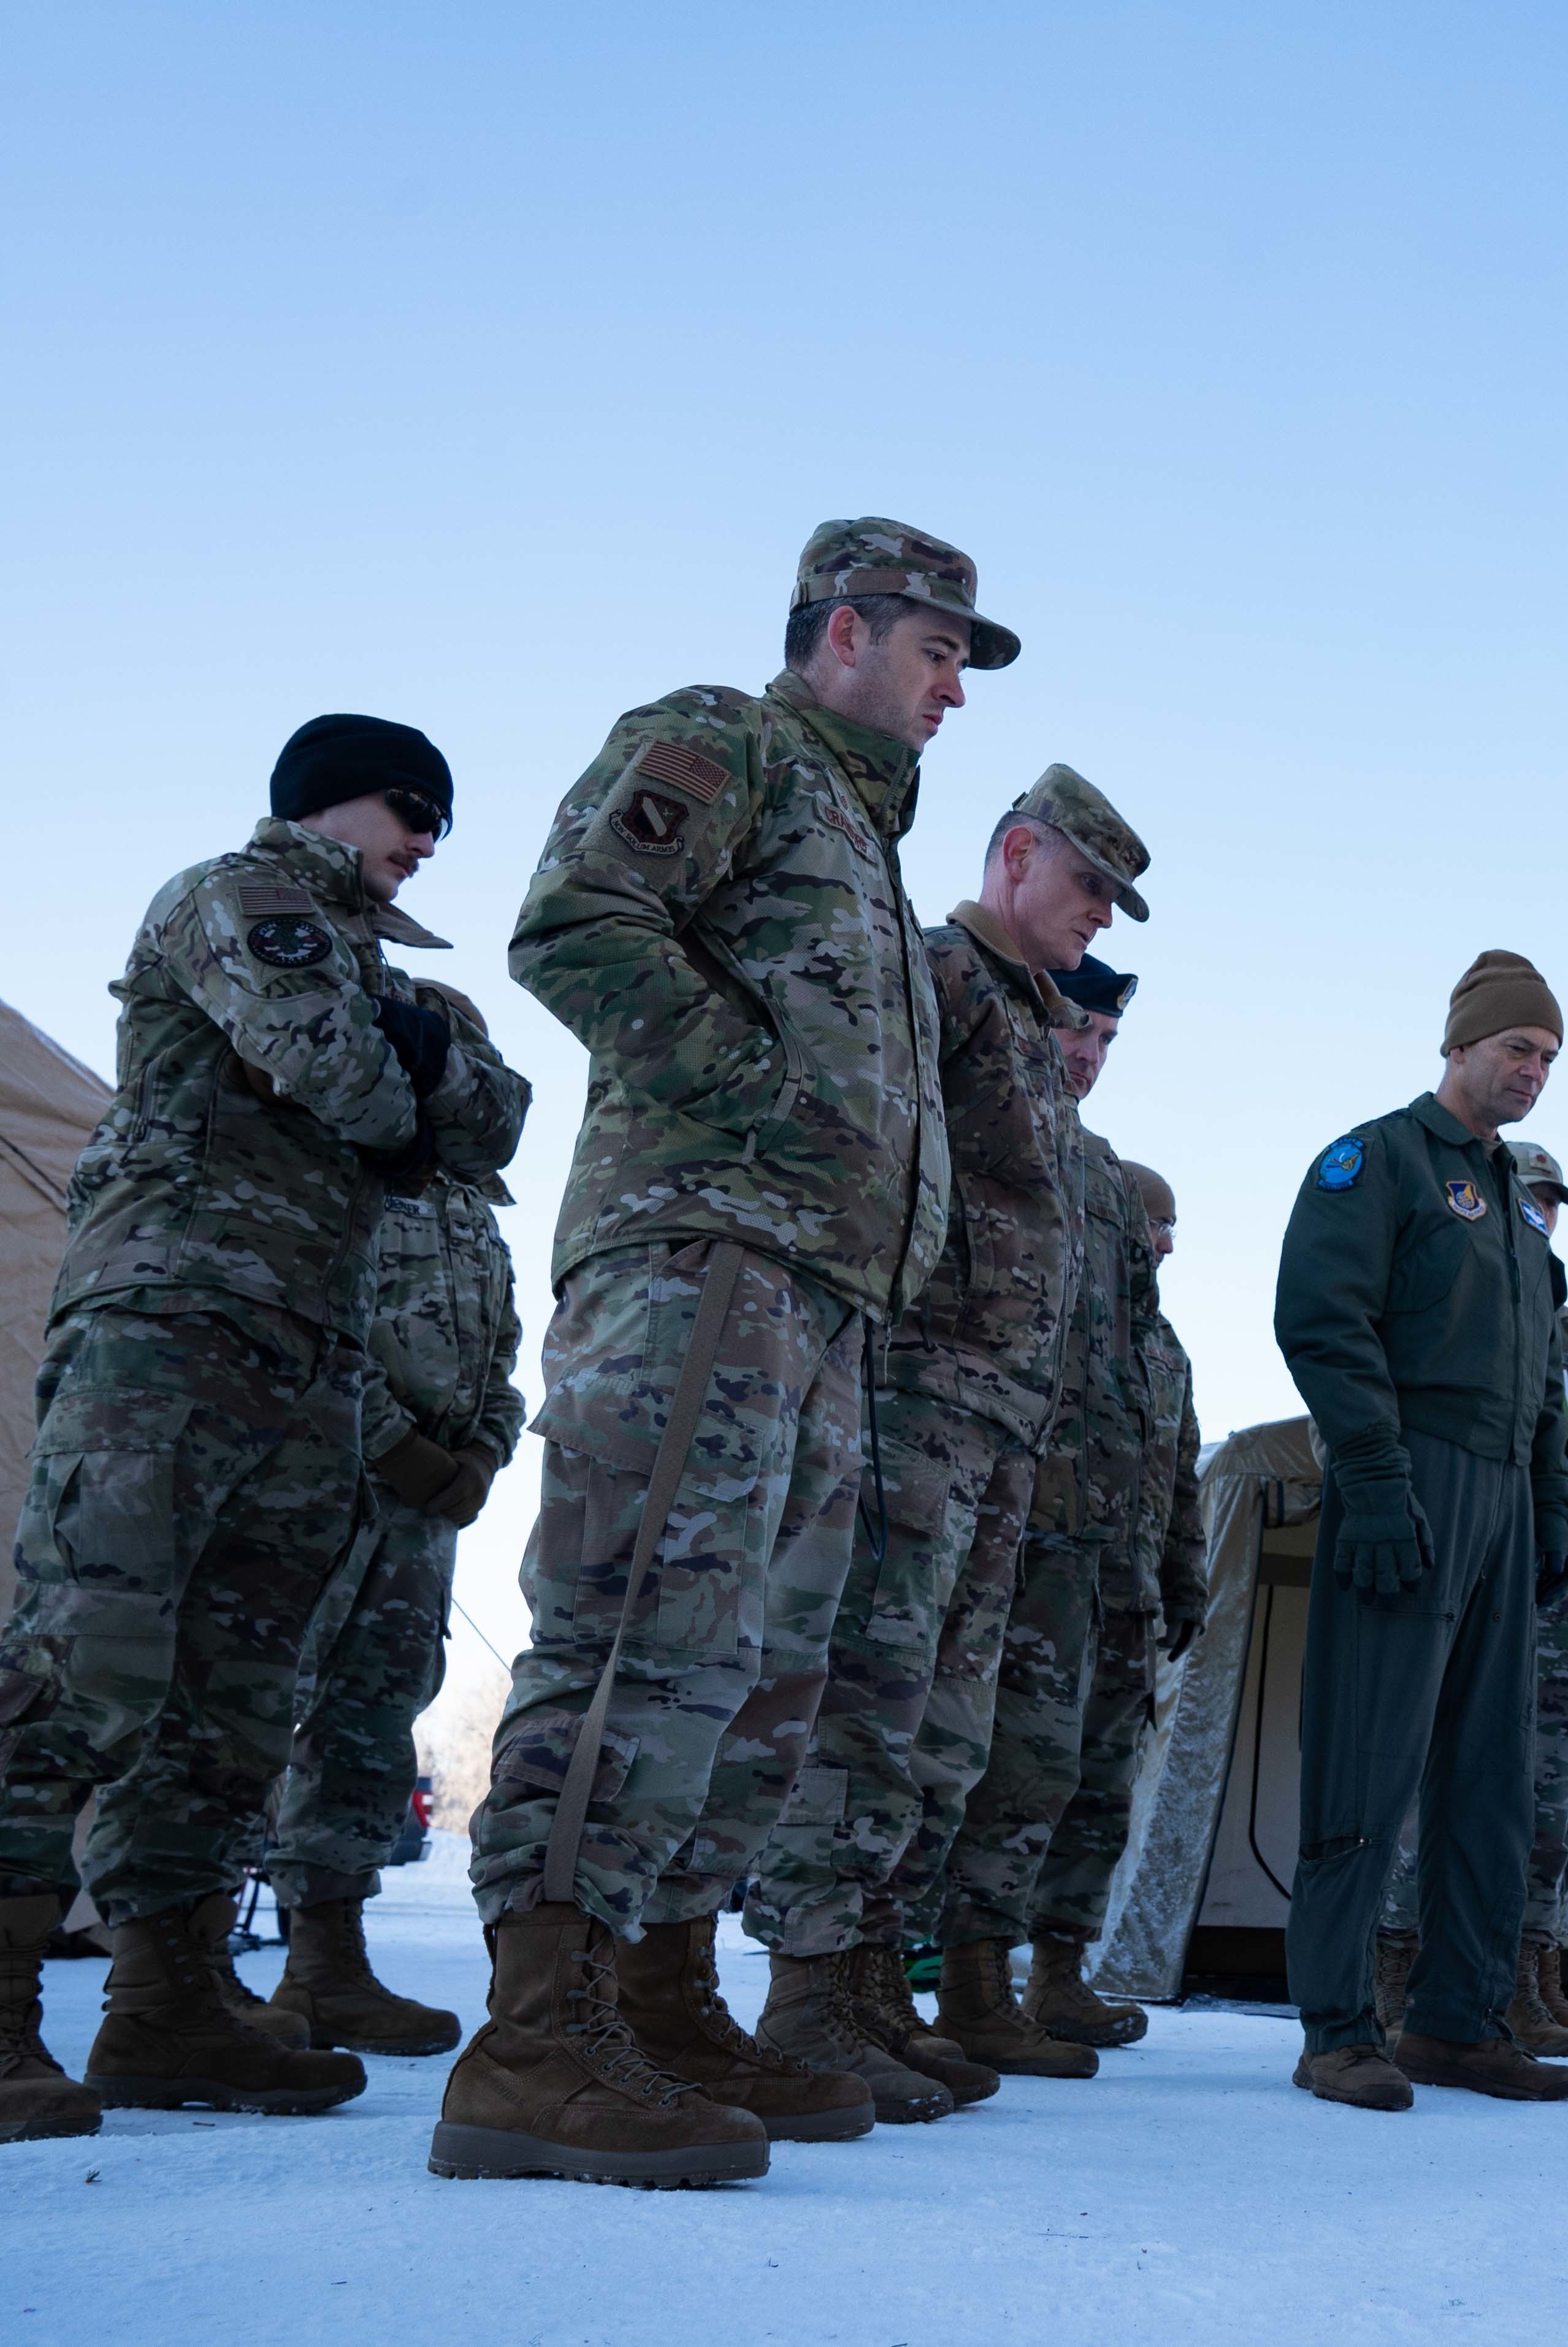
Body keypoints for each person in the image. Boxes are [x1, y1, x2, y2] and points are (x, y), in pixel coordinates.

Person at [448, 520, 1014, 2188]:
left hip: (823, 1294)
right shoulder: (733, 743)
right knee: (641, 1627)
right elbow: (576, 921)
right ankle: (534, 2034)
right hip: (706, 1260)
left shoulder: (859, 831)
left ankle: (660, 1983)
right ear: (844, 629)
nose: (949, 693)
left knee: (758, 1669)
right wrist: (761, 1102)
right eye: (936, 654)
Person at [0, 714, 526, 2143]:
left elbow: (498, 1122)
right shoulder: (243, 896)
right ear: (318, 800)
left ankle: (165, 2006)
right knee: (85, 1652)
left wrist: (413, 1069)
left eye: (441, 816)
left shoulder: (367, 958)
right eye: (408, 805)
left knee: (231, 1696)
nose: (427, 836)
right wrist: (410, 1075)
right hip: (170, 1318)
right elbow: (342, 1074)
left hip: (306, 1343)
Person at [744, 765, 1149, 2109]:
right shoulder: (933, 975)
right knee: (864, 1690)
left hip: (996, 1418)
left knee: (939, 1719)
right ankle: (807, 1991)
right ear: (1016, 854)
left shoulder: (1029, 1018)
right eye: (1089, 883)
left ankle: (870, 1979)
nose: (1101, 913)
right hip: (910, 1391)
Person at [1272, 951, 1568, 2112]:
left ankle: (1456, 2018)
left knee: (1491, 1775)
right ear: (1458, 1044)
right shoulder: (1381, 1162)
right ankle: (1338, 2025)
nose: (1533, 1071)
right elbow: (1320, 1316)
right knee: (1369, 1750)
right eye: (1517, 1048)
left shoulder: (1515, 1207)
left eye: (1547, 1057)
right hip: (1406, 1476)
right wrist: (1372, 1472)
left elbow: (1542, 1383)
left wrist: (1550, 1507)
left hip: (1502, 1494)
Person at [261, 978, 527, 2060]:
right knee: (288, 1701)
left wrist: (482, 1453)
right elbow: (323, 1328)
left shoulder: (472, 1207)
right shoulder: (353, 1173)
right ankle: (214, 1958)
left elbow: (503, 1358)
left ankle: (331, 1961)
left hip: (429, 1508)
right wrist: (401, 1449)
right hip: (337, 1480)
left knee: (378, 1714)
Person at [1371, 1138, 1568, 2058]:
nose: (1537, 1215)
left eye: (1550, 1205)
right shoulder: (1447, 1305)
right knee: (1433, 1777)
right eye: (1526, 1199)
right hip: (1465, 1571)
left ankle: (1530, 1972)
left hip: (1563, 1589)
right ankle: (1394, 1969)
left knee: (1557, 1786)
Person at [925, 951, 1150, 2076]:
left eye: (1108, 1039)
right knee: (967, 1748)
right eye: (1078, 1028)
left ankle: (1006, 1979)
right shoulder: (984, 1118)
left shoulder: (1106, 1178)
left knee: (1047, 1766)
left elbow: (1133, 1373)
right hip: (976, 1486)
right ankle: (942, 1981)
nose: (1089, 1053)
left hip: (1080, 1523)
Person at [1020, 1151, 1205, 2051]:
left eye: (1169, 1225)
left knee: (1102, 1792)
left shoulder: (1167, 1355)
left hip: (1130, 1601)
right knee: (1021, 1777)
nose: (1162, 1240)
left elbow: (1183, 1487)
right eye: (1148, 1220)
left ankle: (1060, 1974)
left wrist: (1187, 1580)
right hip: (1045, 1588)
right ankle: (972, 1970)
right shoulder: (1053, 1317)